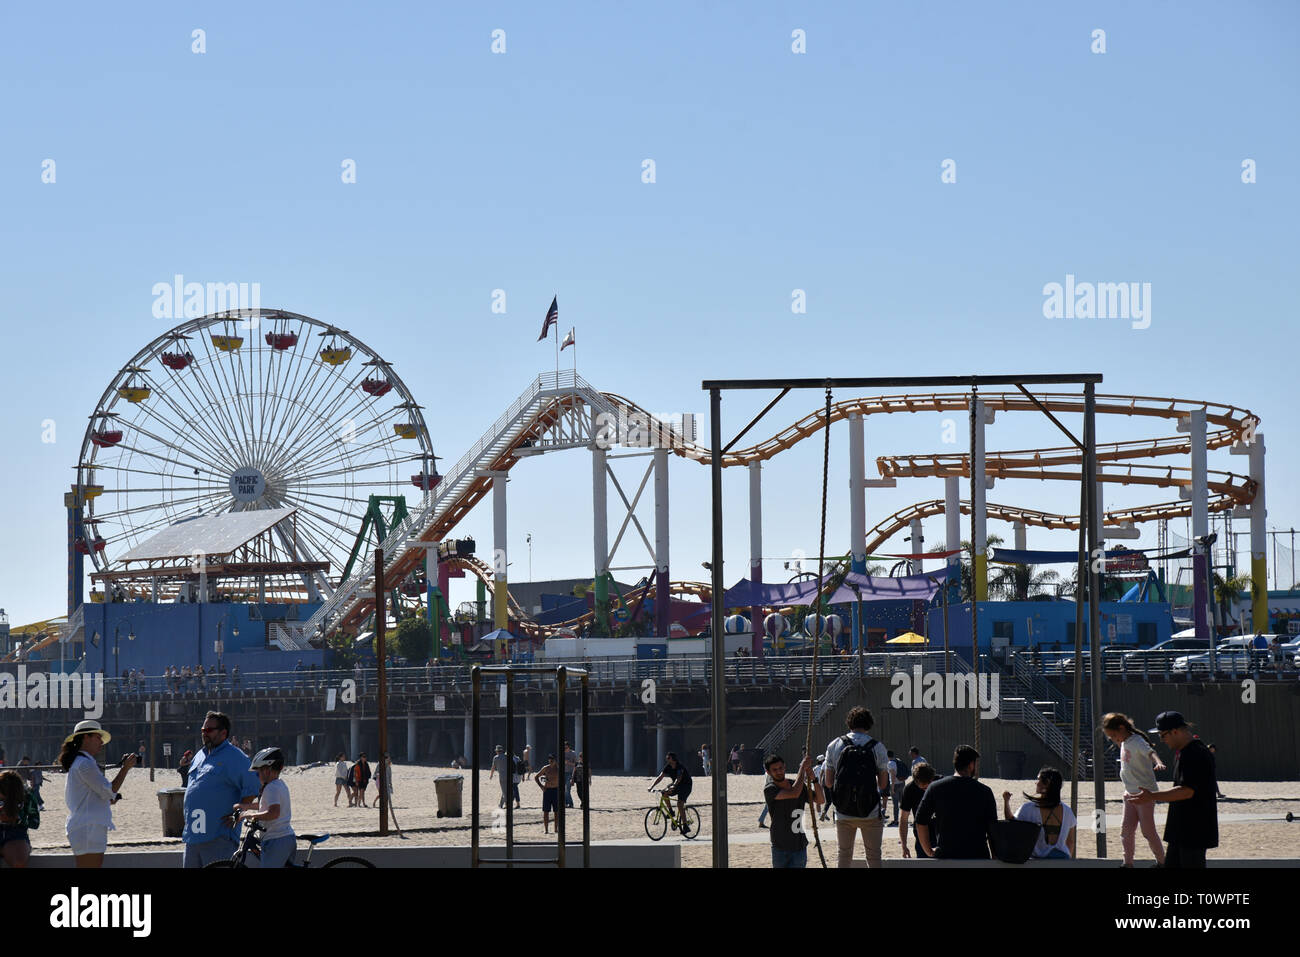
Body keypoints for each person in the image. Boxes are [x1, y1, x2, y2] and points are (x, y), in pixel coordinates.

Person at [1126, 711, 1219, 869]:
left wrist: (1151, 796)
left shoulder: (1194, 753)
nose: (1162, 740)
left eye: (1163, 735)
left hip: (1193, 830)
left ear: (1175, 731)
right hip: (1182, 830)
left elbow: (1186, 791)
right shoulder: (1185, 752)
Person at [181, 711, 260, 868]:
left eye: (209, 730)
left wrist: (238, 814)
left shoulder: (235, 757)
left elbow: (252, 787)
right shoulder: (199, 755)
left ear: (223, 733)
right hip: (193, 836)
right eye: (203, 730)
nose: (204, 733)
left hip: (218, 837)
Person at [60, 719, 137, 867]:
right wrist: (125, 768)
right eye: (97, 737)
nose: (101, 742)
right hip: (88, 826)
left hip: (87, 826)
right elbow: (109, 790)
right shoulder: (84, 763)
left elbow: (98, 794)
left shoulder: (82, 762)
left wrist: (108, 799)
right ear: (85, 737)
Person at [823, 706, 890, 868]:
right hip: (871, 811)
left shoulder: (835, 745)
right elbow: (882, 784)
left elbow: (829, 782)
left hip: (843, 811)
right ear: (869, 724)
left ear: (849, 723)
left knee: (844, 855)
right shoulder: (877, 747)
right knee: (874, 856)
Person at [1102, 712, 1166, 867]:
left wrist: (1158, 762)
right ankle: (1128, 863)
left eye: (1113, 735)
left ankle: (1162, 862)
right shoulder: (1123, 741)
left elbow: (1150, 751)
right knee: (1126, 830)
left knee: (1148, 832)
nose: (1113, 739)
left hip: (1144, 794)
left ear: (1122, 728)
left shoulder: (1137, 741)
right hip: (1129, 793)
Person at [914, 745, 996, 859]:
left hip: (946, 856)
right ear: (971, 764)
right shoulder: (985, 791)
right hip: (978, 855)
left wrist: (929, 851)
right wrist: (994, 858)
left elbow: (920, 822)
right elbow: (992, 829)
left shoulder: (936, 788)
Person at [231, 747, 296, 868]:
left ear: (267, 770)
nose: (258, 776)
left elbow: (273, 813)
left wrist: (249, 814)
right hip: (286, 838)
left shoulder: (271, 788)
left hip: (276, 840)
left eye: (258, 772)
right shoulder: (279, 784)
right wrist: (246, 806)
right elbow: (267, 805)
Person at [763, 753, 823, 868]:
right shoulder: (770, 789)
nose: (779, 771)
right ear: (768, 772)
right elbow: (794, 793)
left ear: (785, 767)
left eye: (781, 768)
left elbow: (820, 800)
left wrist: (814, 780)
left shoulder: (798, 785)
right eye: (774, 770)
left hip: (799, 845)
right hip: (780, 846)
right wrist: (802, 768)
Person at [1002, 766, 1076, 859]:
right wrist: (1067, 859)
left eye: (1038, 780)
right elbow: (1071, 841)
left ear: (1047, 783)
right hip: (1062, 858)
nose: (1036, 783)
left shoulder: (1029, 808)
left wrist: (1006, 801)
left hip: (1037, 861)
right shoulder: (1068, 811)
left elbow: (1011, 823)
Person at [0, 769, 39, 867]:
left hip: (16, 833)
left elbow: (35, 822)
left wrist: (18, 819)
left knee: (19, 863)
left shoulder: (27, 796)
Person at [898, 762, 937, 858]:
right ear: (916, 782)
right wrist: (904, 846)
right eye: (923, 788)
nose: (926, 790)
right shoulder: (909, 789)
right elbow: (903, 819)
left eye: (929, 787)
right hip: (922, 836)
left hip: (941, 834)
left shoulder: (941, 783)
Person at [649, 752, 694, 836]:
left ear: (673, 759)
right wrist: (651, 786)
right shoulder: (668, 767)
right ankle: (671, 812)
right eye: (667, 758)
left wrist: (673, 785)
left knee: (680, 804)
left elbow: (678, 778)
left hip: (686, 786)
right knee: (664, 793)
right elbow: (660, 777)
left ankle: (685, 826)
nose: (667, 759)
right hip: (676, 785)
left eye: (668, 758)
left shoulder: (679, 767)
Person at [536, 753, 561, 833]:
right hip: (547, 791)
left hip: (556, 790)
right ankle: (546, 830)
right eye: (549, 759)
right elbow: (536, 777)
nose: (550, 761)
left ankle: (556, 829)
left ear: (555, 760)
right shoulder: (545, 768)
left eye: (552, 759)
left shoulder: (558, 768)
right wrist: (541, 786)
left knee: (556, 811)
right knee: (546, 811)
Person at [887, 750, 908, 825]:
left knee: (895, 804)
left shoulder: (890, 763)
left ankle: (896, 821)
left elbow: (892, 775)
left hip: (895, 784)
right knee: (902, 803)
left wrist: (892, 787)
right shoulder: (898, 760)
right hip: (902, 783)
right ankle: (905, 819)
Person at [489, 745, 513, 810]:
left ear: (497, 751)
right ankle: (501, 804)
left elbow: (493, 767)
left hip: (502, 776)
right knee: (505, 790)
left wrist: (491, 775)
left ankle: (507, 804)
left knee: (504, 791)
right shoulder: (506, 756)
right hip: (509, 775)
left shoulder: (496, 758)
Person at [563, 742, 578, 809]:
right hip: (563, 773)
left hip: (570, 773)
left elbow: (576, 764)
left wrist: (568, 763)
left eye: (566, 747)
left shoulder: (573, 753)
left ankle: (570, 803)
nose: (565, 748)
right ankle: (566, 803)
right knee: (563, 789)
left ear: (569, 747)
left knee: (567, 789)